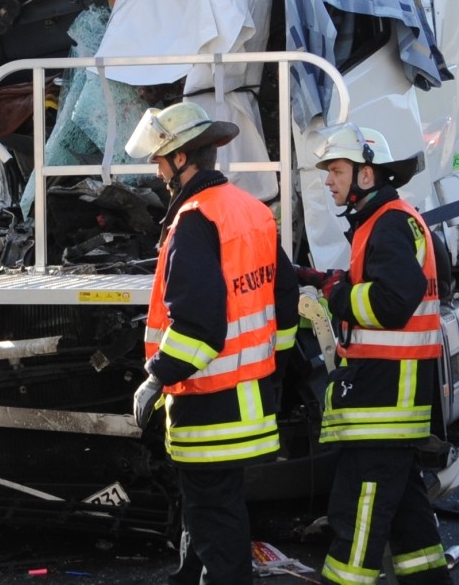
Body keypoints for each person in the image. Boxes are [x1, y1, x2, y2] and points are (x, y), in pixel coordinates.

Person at [126, 101, 300, 585]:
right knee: (206, 512)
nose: (157, 171)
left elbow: (199, 326)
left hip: (209, 412)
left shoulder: (195, 220)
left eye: (160, 160)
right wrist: (273, 368)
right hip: (248, 402)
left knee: (215, 522)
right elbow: (284, 299)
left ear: (182, 159)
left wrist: (156, 378)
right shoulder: (251, 211)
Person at [303, 123, 452, 585]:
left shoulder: (386, 223)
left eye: (337, 170)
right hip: (397, 399)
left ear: (366, 176)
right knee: (407, 512)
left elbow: (391, 302)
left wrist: (339, 294)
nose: (329, 180)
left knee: (357, 511)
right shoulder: (398, 218)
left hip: (383, 400)